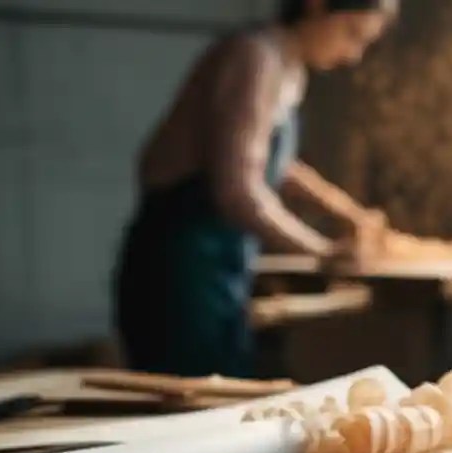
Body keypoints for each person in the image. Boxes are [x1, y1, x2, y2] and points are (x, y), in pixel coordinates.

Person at [113, 0, 398, 378]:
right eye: (352, 34)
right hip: (182, 264)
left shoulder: (290, 67)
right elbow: (237, 189)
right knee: (190, 393)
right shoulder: (254, 57)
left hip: (222, 264)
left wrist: (346, 211)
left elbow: (274, 163)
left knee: (222, 384)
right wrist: (324, 252)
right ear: (316, 6)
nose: (353, 56)